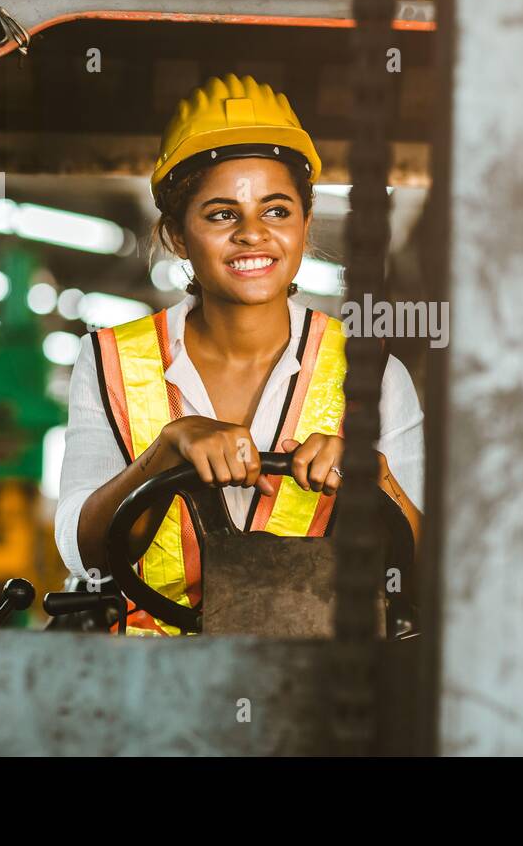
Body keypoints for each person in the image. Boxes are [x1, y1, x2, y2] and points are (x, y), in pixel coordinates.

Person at [54, 73, 424, 636]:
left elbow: (420, 570)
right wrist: (164, 453)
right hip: (146, 687)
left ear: (303, 224)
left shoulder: (375, 374)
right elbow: (86, 556)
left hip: (315, 684)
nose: (253, 234)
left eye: (276, 211)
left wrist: (377, 481)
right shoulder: (108, 361)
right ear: (177, 236)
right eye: (222, 214)